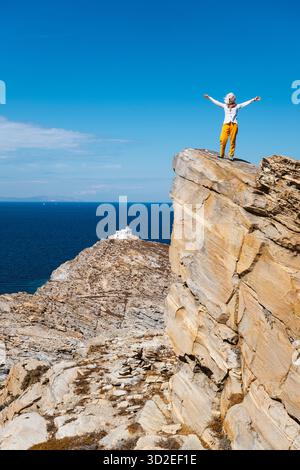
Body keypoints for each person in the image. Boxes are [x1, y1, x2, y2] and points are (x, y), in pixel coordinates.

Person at [204, 92, 261, 159]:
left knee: (232, 140)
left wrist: (253, 99)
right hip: (226, 124)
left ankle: (231, 155)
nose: (234, 98)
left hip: (234, 125)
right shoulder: (224, 106)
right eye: (233, 97)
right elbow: (216, 102)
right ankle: (221, 154)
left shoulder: (237, 106)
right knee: (222, 139)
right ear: (229, 98)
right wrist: (209, 97)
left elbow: (245, 103)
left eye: (234, 97)